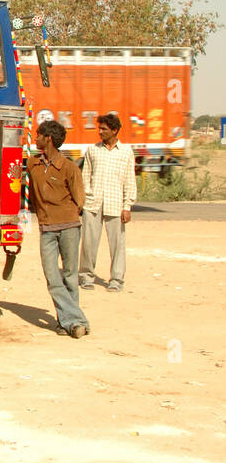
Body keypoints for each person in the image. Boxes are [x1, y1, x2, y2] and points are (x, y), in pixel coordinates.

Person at [26, 119, 89, 338]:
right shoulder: (32, 165)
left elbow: (79, 199)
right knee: (53, 278)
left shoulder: (69, 168)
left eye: (39, 135)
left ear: (48, 139)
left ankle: (67, 322)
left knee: (70, 276)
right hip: (47, 228)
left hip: (69, 226)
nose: (35, 139)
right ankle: (76, 320)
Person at [80, 112, 137, 292]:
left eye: (104, 129)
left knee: (117, 244)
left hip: (115, 204)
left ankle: (117, 279)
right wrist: (85, 199)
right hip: (93, 203)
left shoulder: (126, 152)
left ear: (114, 130)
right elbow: (85, 177)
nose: (100, 132)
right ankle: (86, 276)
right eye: (99, 128)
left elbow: (130, 180)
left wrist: (127, 206)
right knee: (89, 242)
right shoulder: (93, 150)